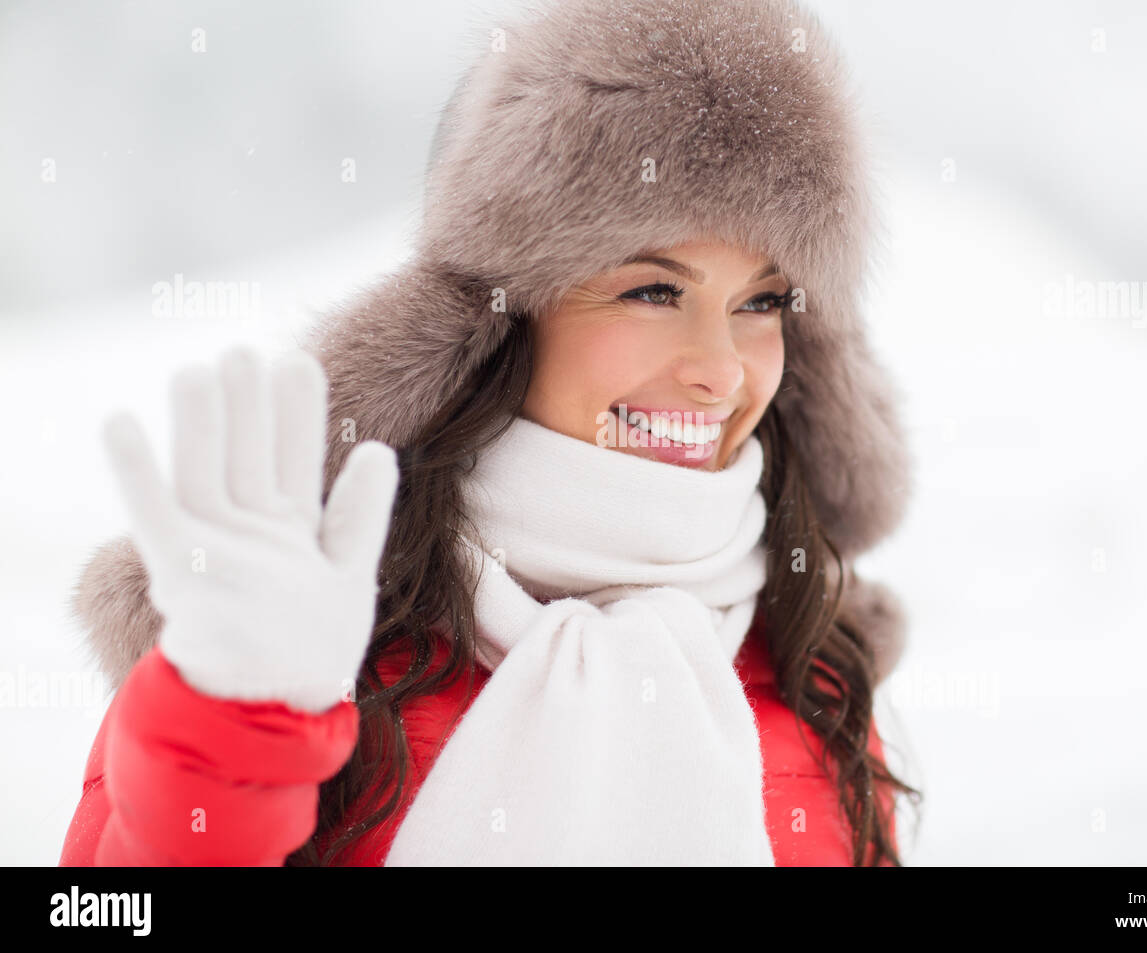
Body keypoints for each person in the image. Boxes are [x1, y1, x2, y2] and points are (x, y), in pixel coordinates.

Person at [59, 0, 920, 867]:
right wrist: (228, 739)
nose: (722, 370)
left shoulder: (816, 673)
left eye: (761, 303)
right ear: (502, 317)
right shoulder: (294, 635)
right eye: (652, 291)